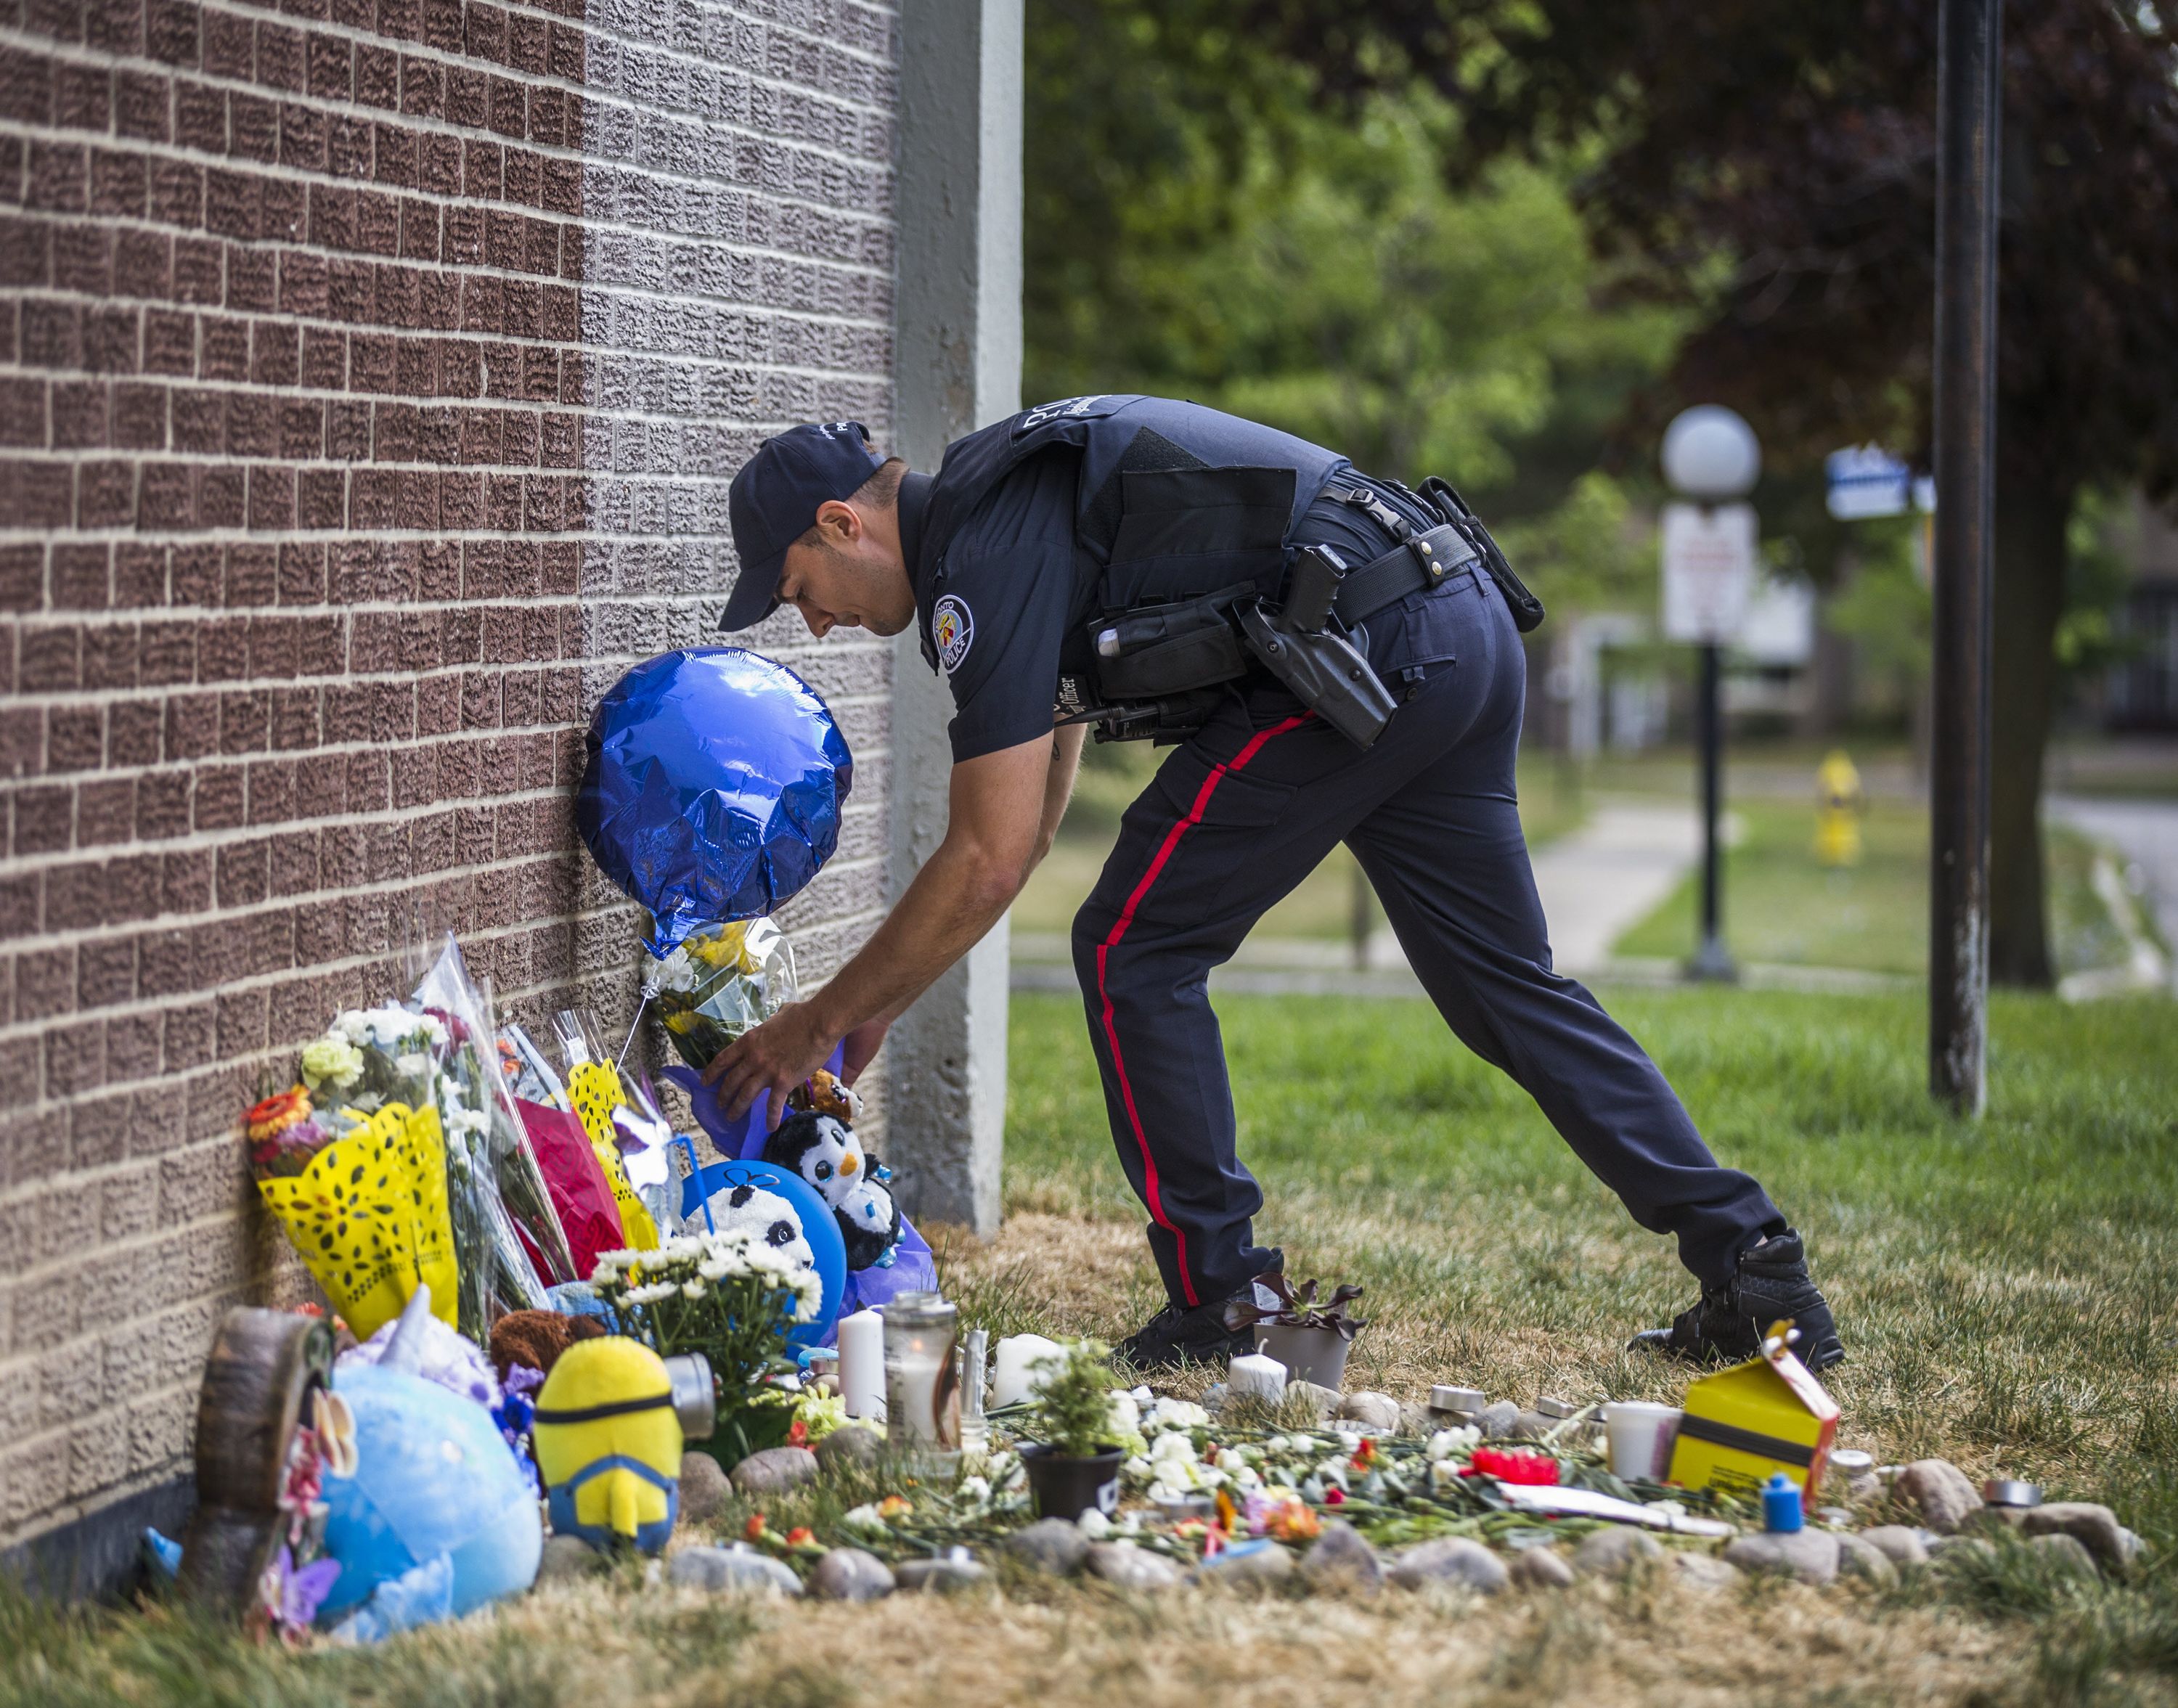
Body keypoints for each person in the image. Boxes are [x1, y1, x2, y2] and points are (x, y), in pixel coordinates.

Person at [701, 400, 1843, 1374]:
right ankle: (1757, 1268)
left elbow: (986, 852)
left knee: (1128, 949)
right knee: (1508, 987)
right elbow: (1029, 828)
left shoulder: (980, 559)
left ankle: (1224, 1297)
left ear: (844, 524)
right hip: (1453, 618)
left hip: (1364, 648)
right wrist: (882, 1001)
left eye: (800, 587)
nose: (813, 620)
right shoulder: (1009, 508)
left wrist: (815, 1020)